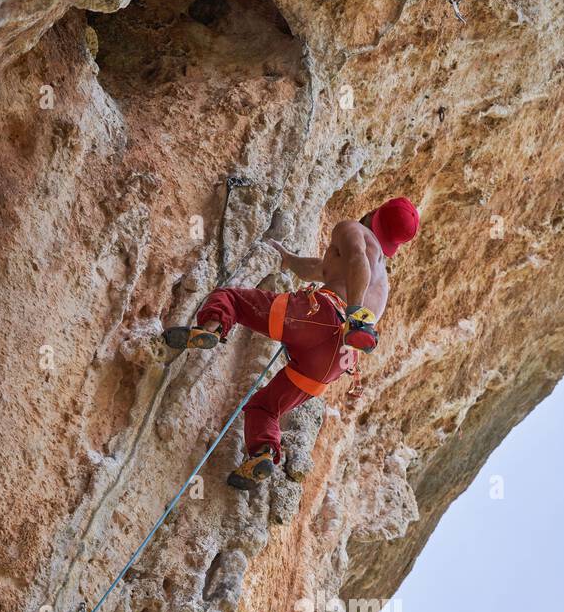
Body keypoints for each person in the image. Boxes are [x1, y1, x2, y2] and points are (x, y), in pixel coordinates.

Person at [163, 197, 420, 489]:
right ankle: (262, 454)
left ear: (374, 213)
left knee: (231, 299)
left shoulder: (354, 231)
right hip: (335, 361)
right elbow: (322, 269)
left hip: (318, 316)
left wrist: (355, 312)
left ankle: (212, 327)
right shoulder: (383, 285)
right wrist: (286, 258)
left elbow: (356, 257)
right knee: (265, 407)